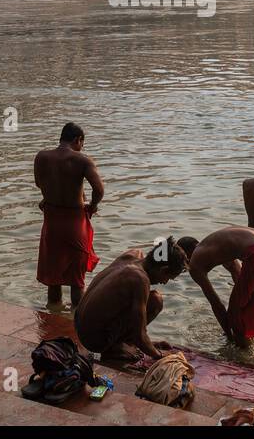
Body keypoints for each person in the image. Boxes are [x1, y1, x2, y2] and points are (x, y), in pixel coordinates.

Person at [73, 239, 187, 359]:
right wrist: (160, 355)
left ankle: (123, 343)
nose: (164, 282)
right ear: (163, 269)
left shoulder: (132, 255)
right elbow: (140, 336)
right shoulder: (139, 278)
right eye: (168, 278)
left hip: (80, 326)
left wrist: (149, 344)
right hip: (94, 341)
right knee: (156, 300)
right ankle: (114, 348)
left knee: (145, 299)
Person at [33, 122, 104, 306]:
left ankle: (52, 317)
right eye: (82, 143)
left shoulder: (41, 157)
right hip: (74, 223)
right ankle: (75, 325)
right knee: (76, 281)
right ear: (77, 140)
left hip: (52, 222)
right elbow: (99, 189)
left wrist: (50, 197)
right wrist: (92, 205)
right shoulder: (82, 160)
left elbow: (39, 183)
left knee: (53, 278)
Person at [179, 226, 254, 346]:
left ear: (185, 257)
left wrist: (230, 335)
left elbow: (216, 304)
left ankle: (243, 358)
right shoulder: (214, 246)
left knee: (237, 317)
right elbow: (237, 273)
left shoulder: (195, 263)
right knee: (242, 312)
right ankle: (249, 348)